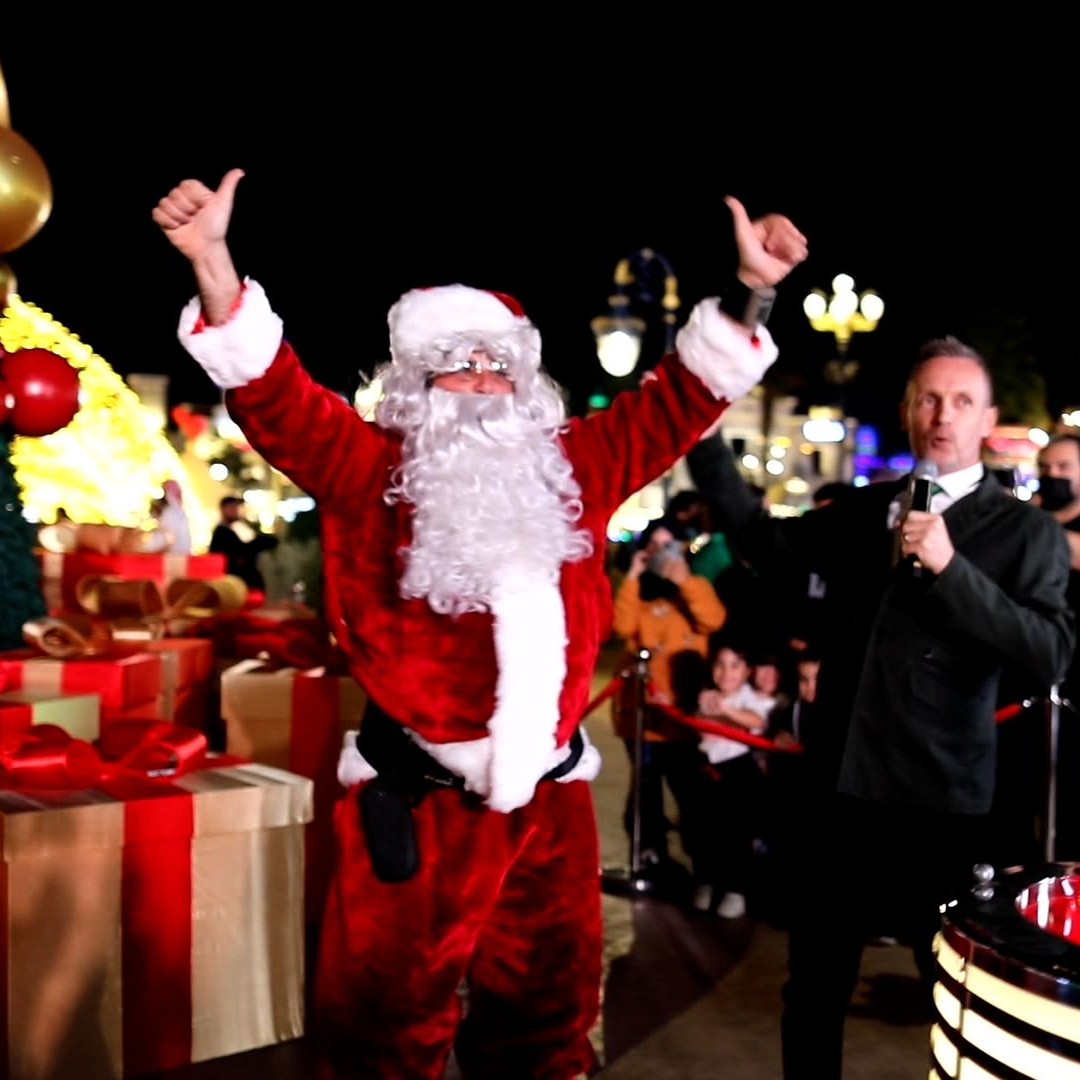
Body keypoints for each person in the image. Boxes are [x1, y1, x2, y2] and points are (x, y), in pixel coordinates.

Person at [153, 169, 808, 1079]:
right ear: (416, 384)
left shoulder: (576, 463)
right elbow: (275, 393)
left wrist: (753, 293)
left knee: (549, 1021)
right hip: (417, 804)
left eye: (501, 363)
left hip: (552, 803)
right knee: (382, 1030)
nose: (484, 379)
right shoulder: (367, 469)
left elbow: (682, 396)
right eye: (459, 361)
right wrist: (215, 265)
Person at [686, 335, 1074, 1080]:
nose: (943, 415)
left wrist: (952, 569)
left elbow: (1051, 651)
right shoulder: (863, 511)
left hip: (942, 803)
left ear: (986, 418)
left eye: (961, 401)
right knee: (813, 990)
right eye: (929, 398)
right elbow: (764, 543)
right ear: (905, 411)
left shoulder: (1024, 532)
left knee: (956, 996)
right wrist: (703, 442)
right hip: (840, 790)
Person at [611, 517, 726, 884]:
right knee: (645, 795)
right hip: (644, 719)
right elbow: (621, 627)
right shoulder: (641, 594)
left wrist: (684, 580)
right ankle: (650, 859)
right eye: (656, 546)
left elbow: (713, 619)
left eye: (670, 544)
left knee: (692, 797)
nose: (665, 553)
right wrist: (634, 575)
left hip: (684, 719)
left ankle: (705, 869)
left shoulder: (695, 588)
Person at [694, 639, 775, 918]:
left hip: (739, 771)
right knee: (706, 828)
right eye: (720, 664)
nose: (726, 672)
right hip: (709, 769)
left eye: (734, 666)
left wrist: (724, 710)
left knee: (737, 832)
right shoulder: (707, 694)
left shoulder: (748, 697)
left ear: (747, 671)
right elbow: (701, 730)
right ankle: (707, 880)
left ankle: (735, 889)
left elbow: (757, 721)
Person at [209, 494, 276, 589]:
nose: (236, 510)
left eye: (236, 507)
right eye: (232, 507)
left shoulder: (236, 528)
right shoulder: (222, 532)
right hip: (235, 583)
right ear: (224, 509)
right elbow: (238, 553)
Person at [155, 478, 193, 554]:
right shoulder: (170, 513)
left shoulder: (179, 511)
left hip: (180, 554)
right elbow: (169, 538)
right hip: (173, 555)